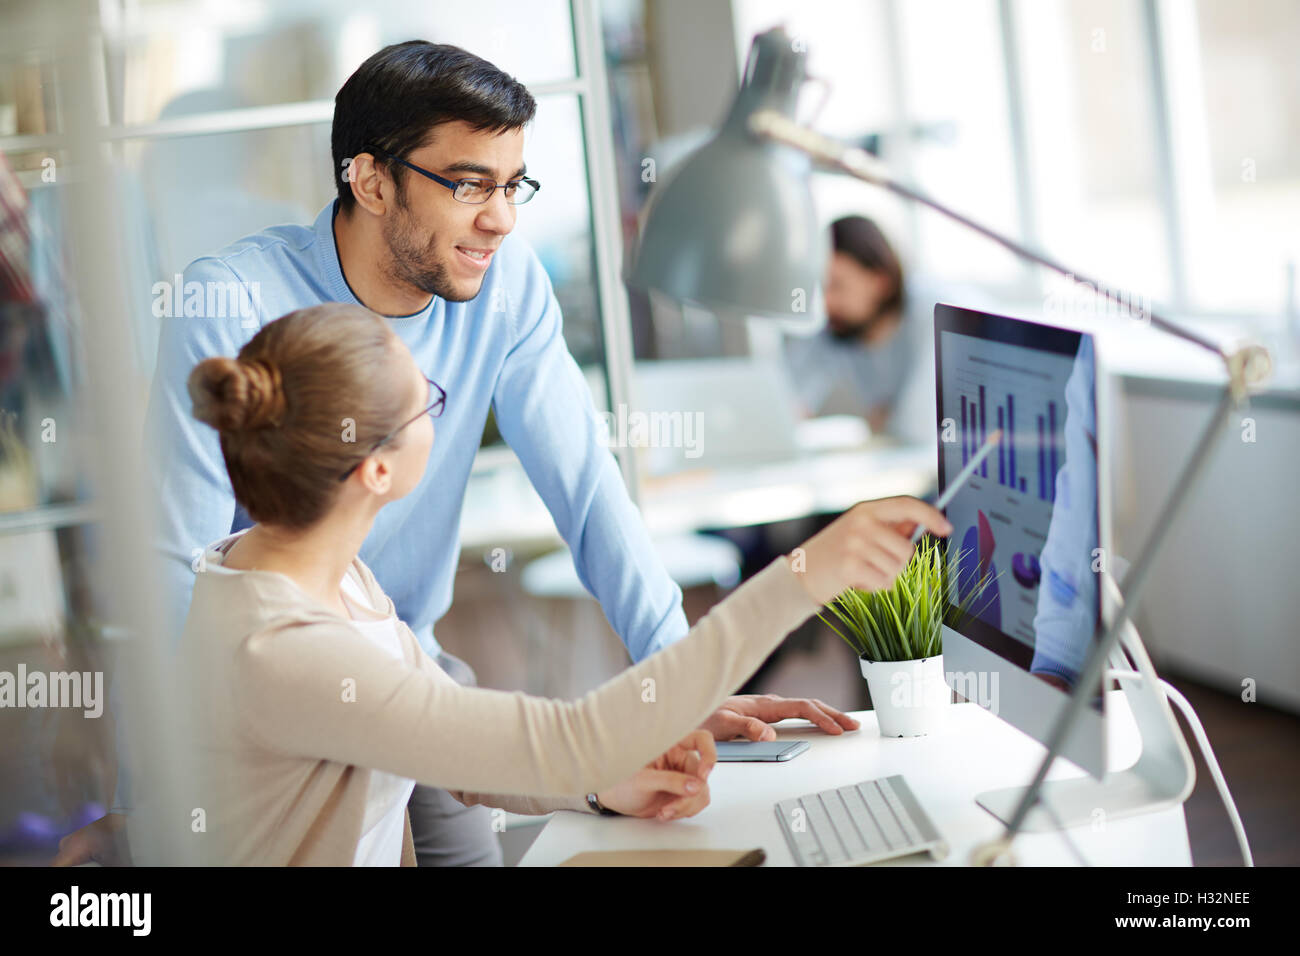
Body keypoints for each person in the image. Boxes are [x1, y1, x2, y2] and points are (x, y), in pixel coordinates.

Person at [55, 41, 866, 867]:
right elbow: (173, 565)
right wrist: (156, 796)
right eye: (470, 184)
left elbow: (587, 490)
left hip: (407, 658)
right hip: (270, 695)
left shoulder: (504, 287)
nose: (503, 219)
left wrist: (680, 681)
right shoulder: (231, 302)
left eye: (513, 186)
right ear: (370, 181)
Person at [170, 303, 952, 865]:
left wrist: (600, 789)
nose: (440, 421)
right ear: (376, 468)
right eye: (428, 406)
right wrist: (803, 576)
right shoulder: (281, 647)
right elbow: (562, 742)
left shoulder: (327, 580)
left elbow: (461, 755)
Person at [784, 215, 929, 440]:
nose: (826, 302)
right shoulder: (838, 328)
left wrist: (888, 418)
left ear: (880, 281)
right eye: (821, 288)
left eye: (837, 286)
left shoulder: (932, 316)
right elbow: (787, 400)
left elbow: (919, 429)